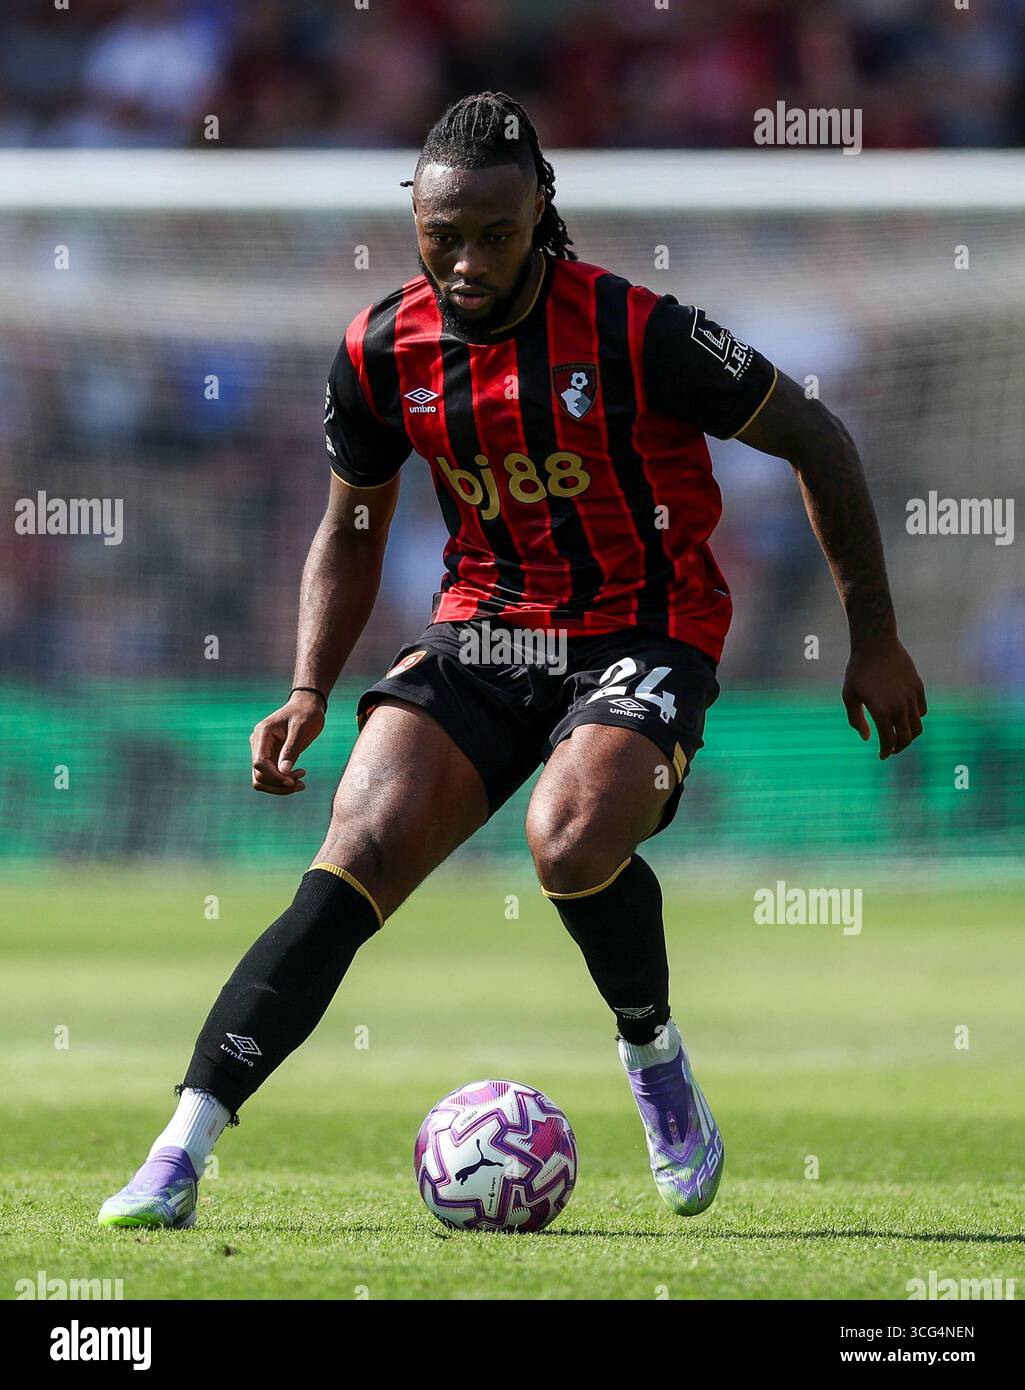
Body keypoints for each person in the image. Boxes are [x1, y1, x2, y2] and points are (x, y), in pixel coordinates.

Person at [99, 91, 927, 1230]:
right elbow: (350, 527)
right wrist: (306, 686)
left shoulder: (640, 330)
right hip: (487, 626)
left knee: (571, 838)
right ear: (416, 220)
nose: (468, 259)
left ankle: (652, 1057)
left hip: (644, 625)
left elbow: (815, 437)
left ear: (541, 210)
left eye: (495, 232)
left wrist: (872, 636)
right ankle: (179, 1151)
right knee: (356, 848)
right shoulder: (382, 348)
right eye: (445, 235)